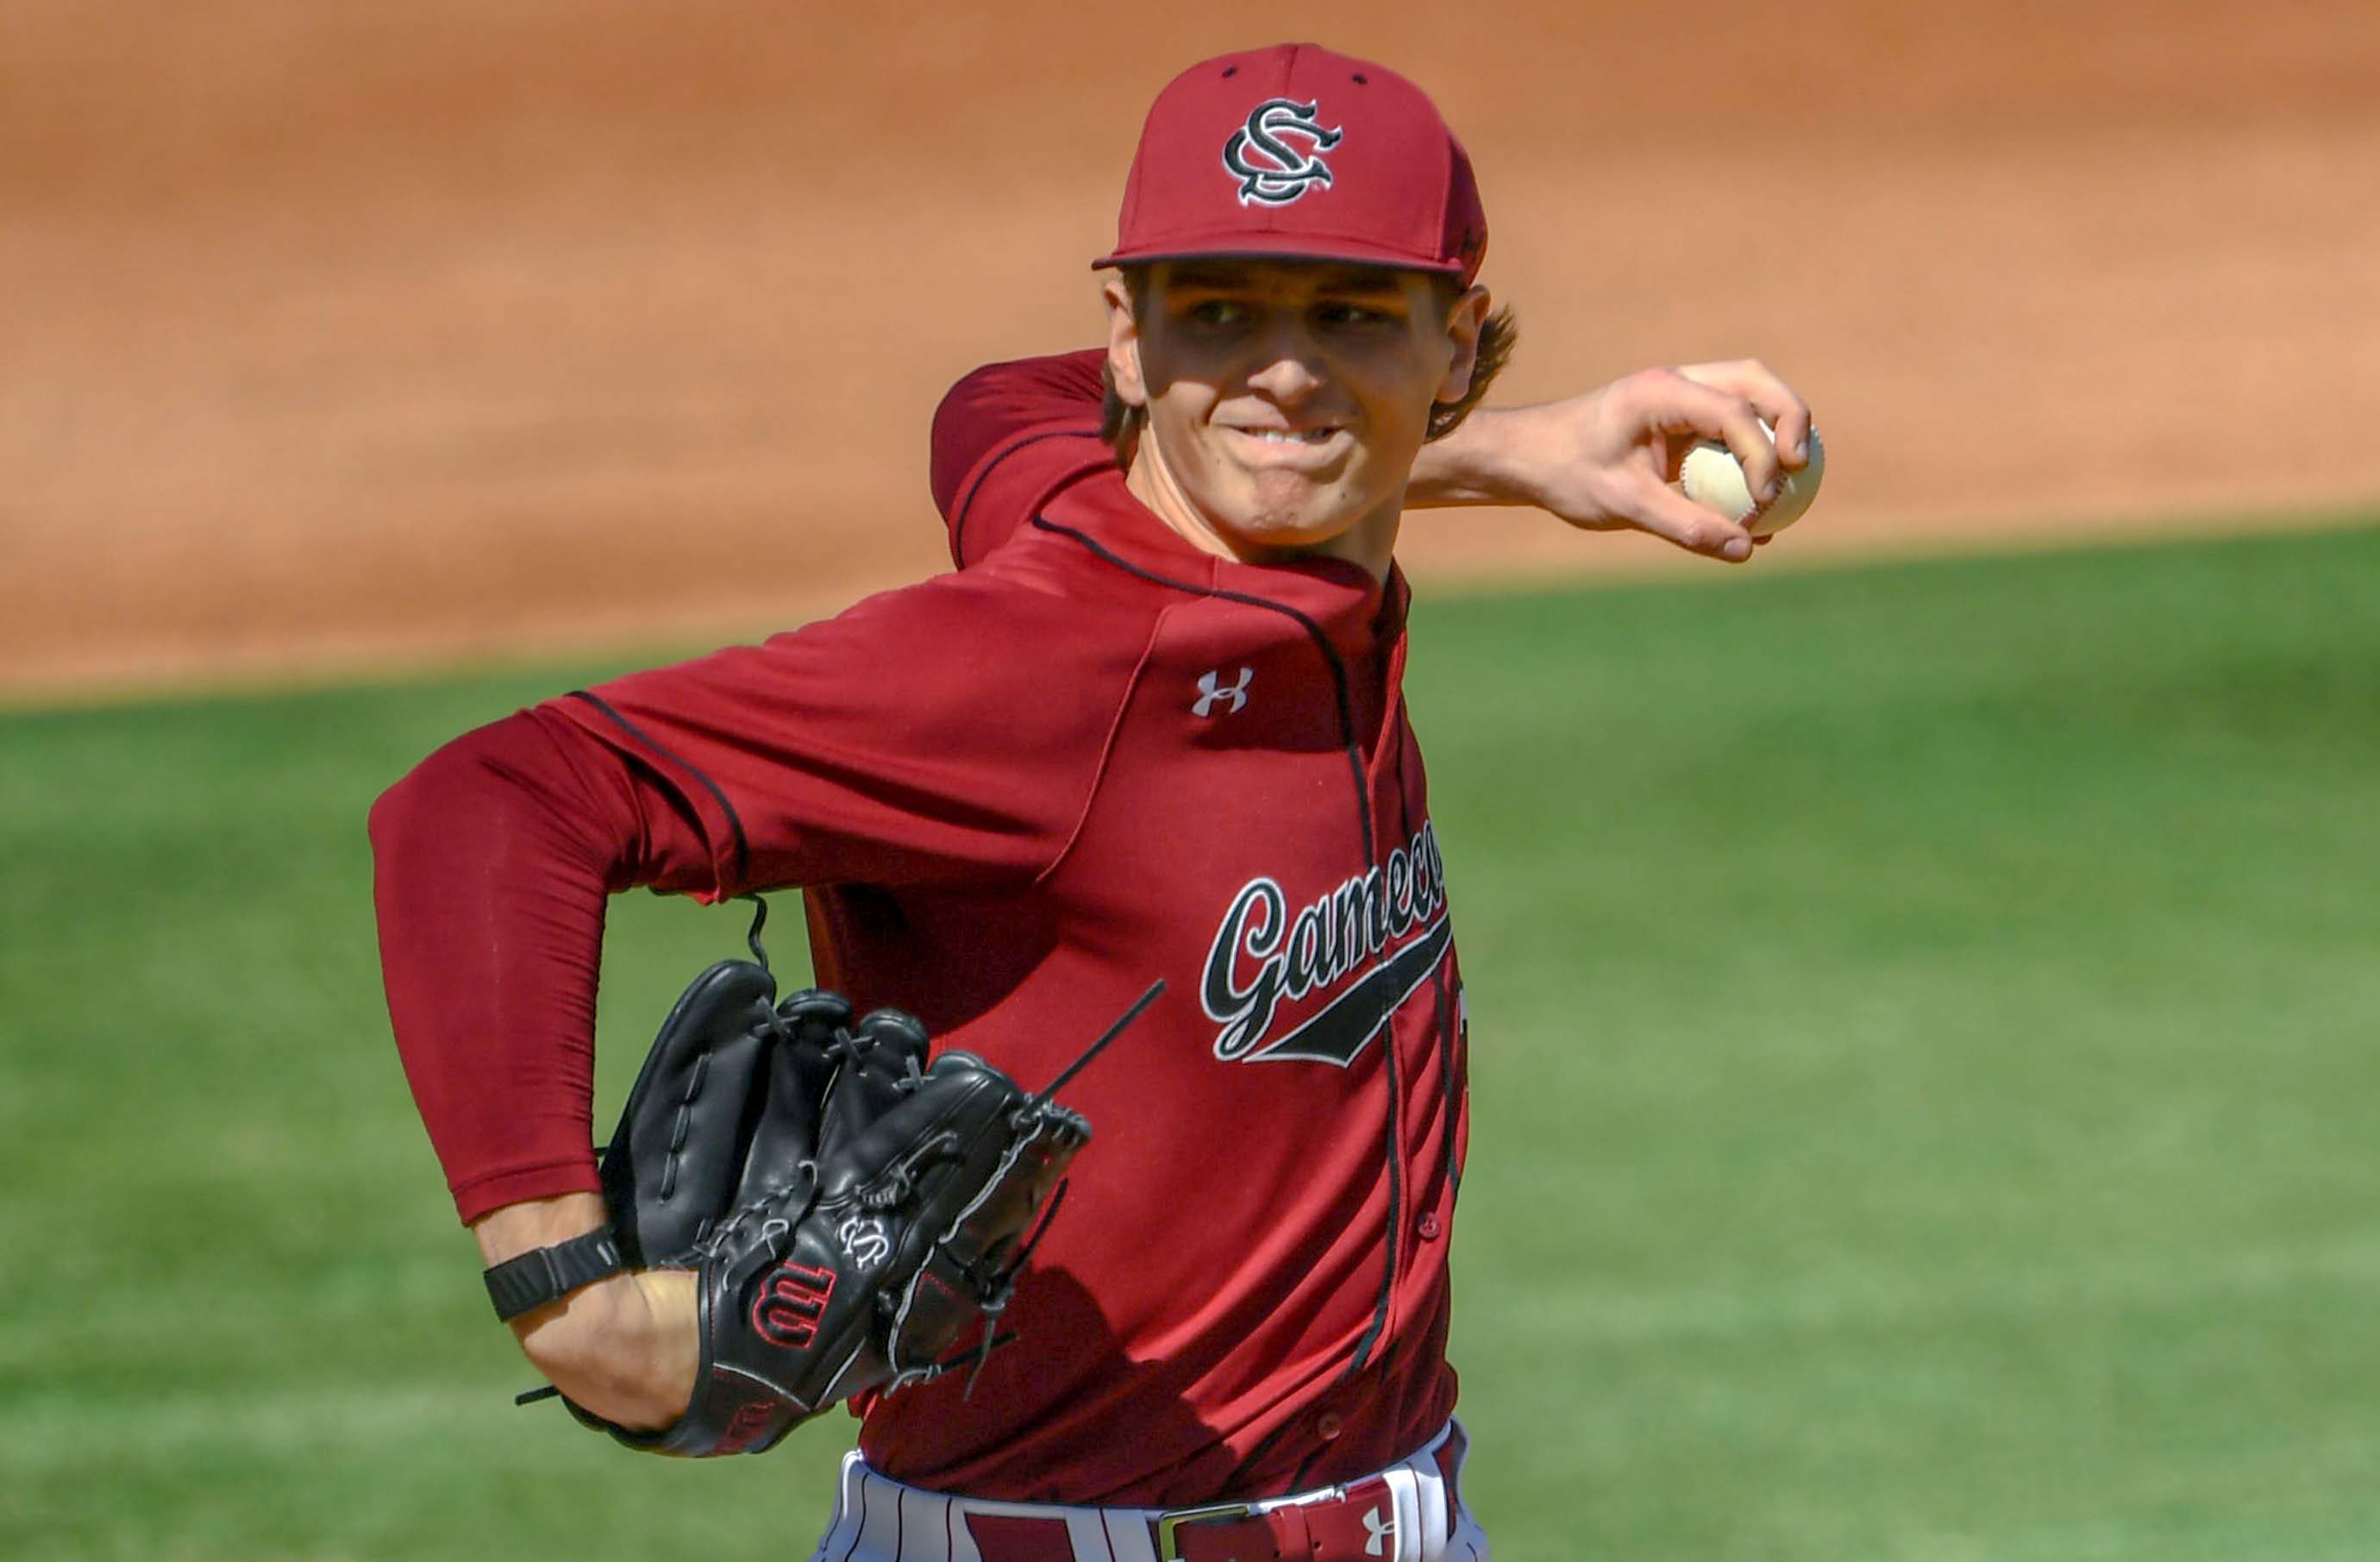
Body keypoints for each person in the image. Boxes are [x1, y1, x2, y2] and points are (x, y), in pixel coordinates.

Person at [370, 41, 1813, 1562]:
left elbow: (995, 406)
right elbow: (489, 799)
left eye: (1351, 315)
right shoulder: (1040, 667)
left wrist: (1518, 455)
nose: (1282, 367)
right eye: (1218, 311)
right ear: (1126, 337)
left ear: (1458, 345)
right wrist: (565, 1290)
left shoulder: (1136, 513)